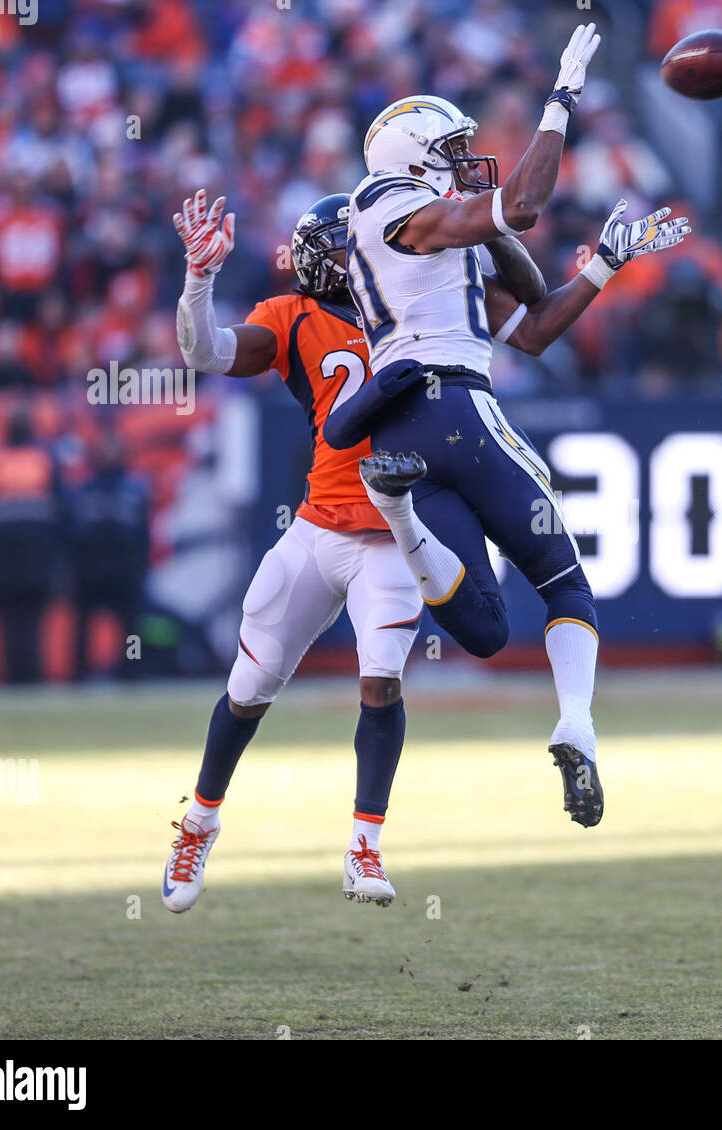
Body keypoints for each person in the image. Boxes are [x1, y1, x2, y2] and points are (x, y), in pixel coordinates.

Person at [321, 24, 688, 829]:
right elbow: (518, 204)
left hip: (401, 438)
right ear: (412, 157)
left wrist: (605, 262)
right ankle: (577, 723)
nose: (462, 161)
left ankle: (400, 518)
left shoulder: (436, 237)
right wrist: (562, 97)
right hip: (457, 410)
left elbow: (529, 327)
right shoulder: (389, 206)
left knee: (484, 631)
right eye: (448, 149)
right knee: (564, 583)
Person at [160, 188, 546, 912]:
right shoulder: (292, 316)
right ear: (321, 258)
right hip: (318, 527)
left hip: (396, 531)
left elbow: (529, 322)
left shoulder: (416, 302)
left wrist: (512, 240)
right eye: (351, 244)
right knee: (250, 689)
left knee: (381, 680)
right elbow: (205, 352)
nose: (367, 252)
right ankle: (199, 821)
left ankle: (365, 843)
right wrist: (199, 281)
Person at [0, 407, 63, 684]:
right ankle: (28, 677)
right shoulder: (42, 458)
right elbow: (62, 507)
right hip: (33, 553)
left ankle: (20, 677)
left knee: (14, 620)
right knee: (28, 620)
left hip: (9, 555)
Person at [65, 432, 150, 681]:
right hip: (92, 572)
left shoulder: (134, 491)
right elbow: (72, 533)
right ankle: (78, 674)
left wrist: (141, 568)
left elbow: (143, 534)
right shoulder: (84, 492)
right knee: (83, 626)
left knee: (130, 628)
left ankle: (130, 671)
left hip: (123, 572)